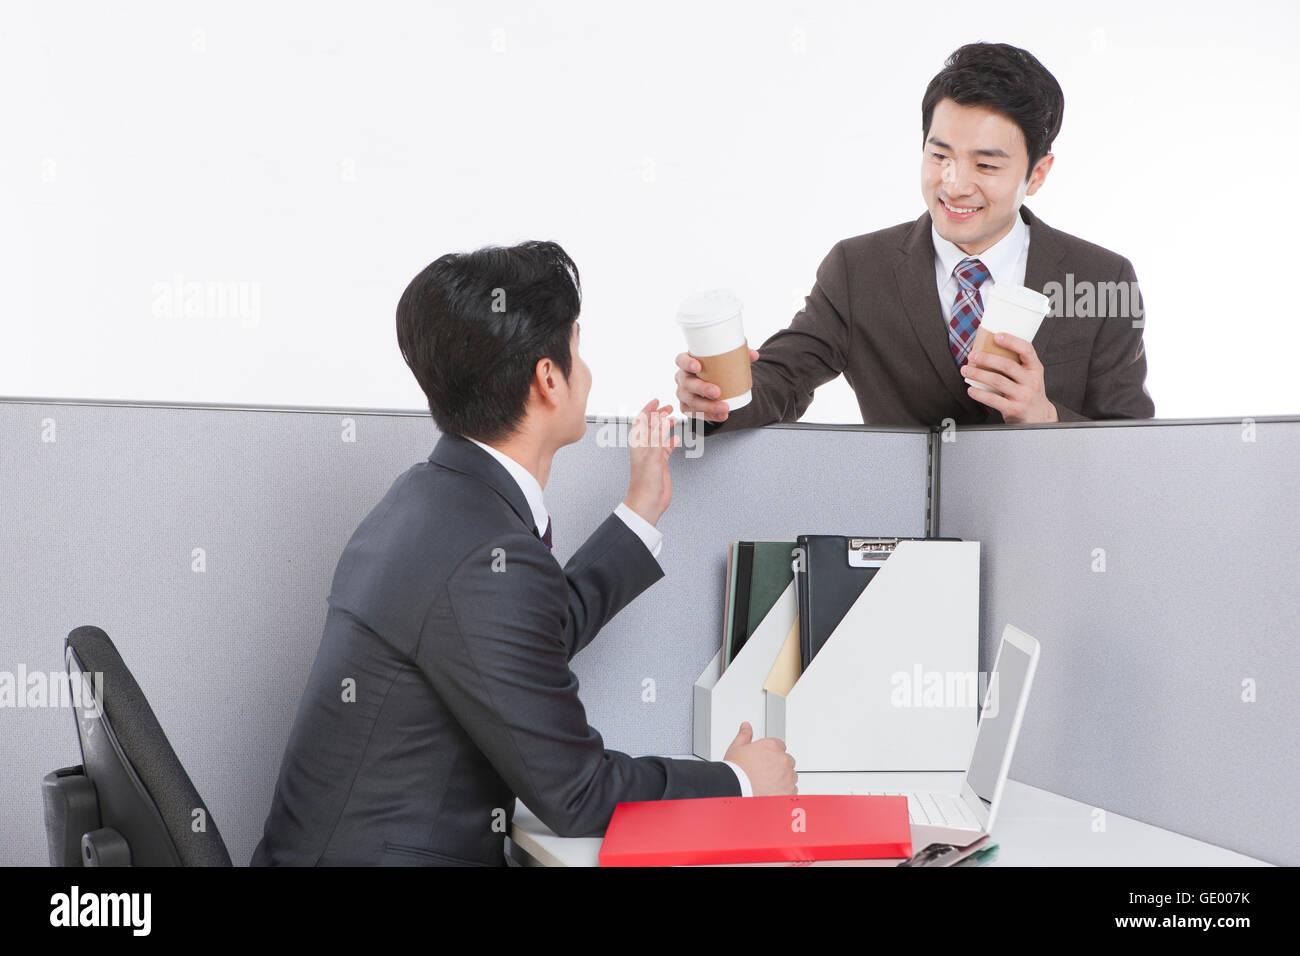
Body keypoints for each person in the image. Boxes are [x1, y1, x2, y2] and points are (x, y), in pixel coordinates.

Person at [251, 240, 795, 867]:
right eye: (577, 351)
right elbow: (578, 792)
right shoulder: (483, 552)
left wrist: (639, 510)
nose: (586, 372)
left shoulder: (428, 501)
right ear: (548, 379)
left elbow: (520, 638)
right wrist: (738, 783)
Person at [676, 42, 1155, 432]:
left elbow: (1133, 450)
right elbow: (782, 381)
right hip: (902, 540)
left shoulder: (1101, 278)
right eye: (939, 155)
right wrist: (718, 399)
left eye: (986, 165)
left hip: (1051, 536)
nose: (954, 183)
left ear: (1038, 174)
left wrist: (1044, 417)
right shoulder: (858, 268)